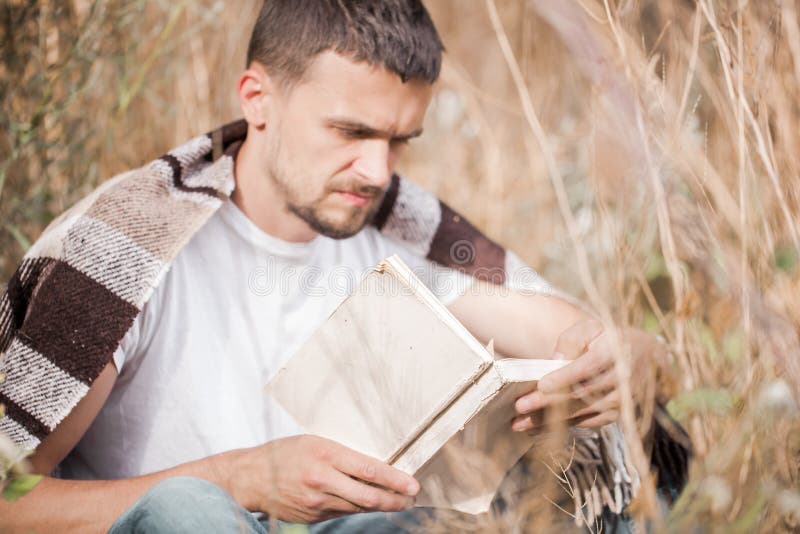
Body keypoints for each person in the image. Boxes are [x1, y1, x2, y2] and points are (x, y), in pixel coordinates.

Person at [0, 1, 685, 532]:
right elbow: (10, 503)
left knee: (588, 466)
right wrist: (240, 478)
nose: (378, 171)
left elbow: (571, 335)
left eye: (399, 141)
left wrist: (636, 359)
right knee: (190, 512)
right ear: (256, 98)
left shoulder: (398, 229)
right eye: (351, 132)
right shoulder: (126, 252)